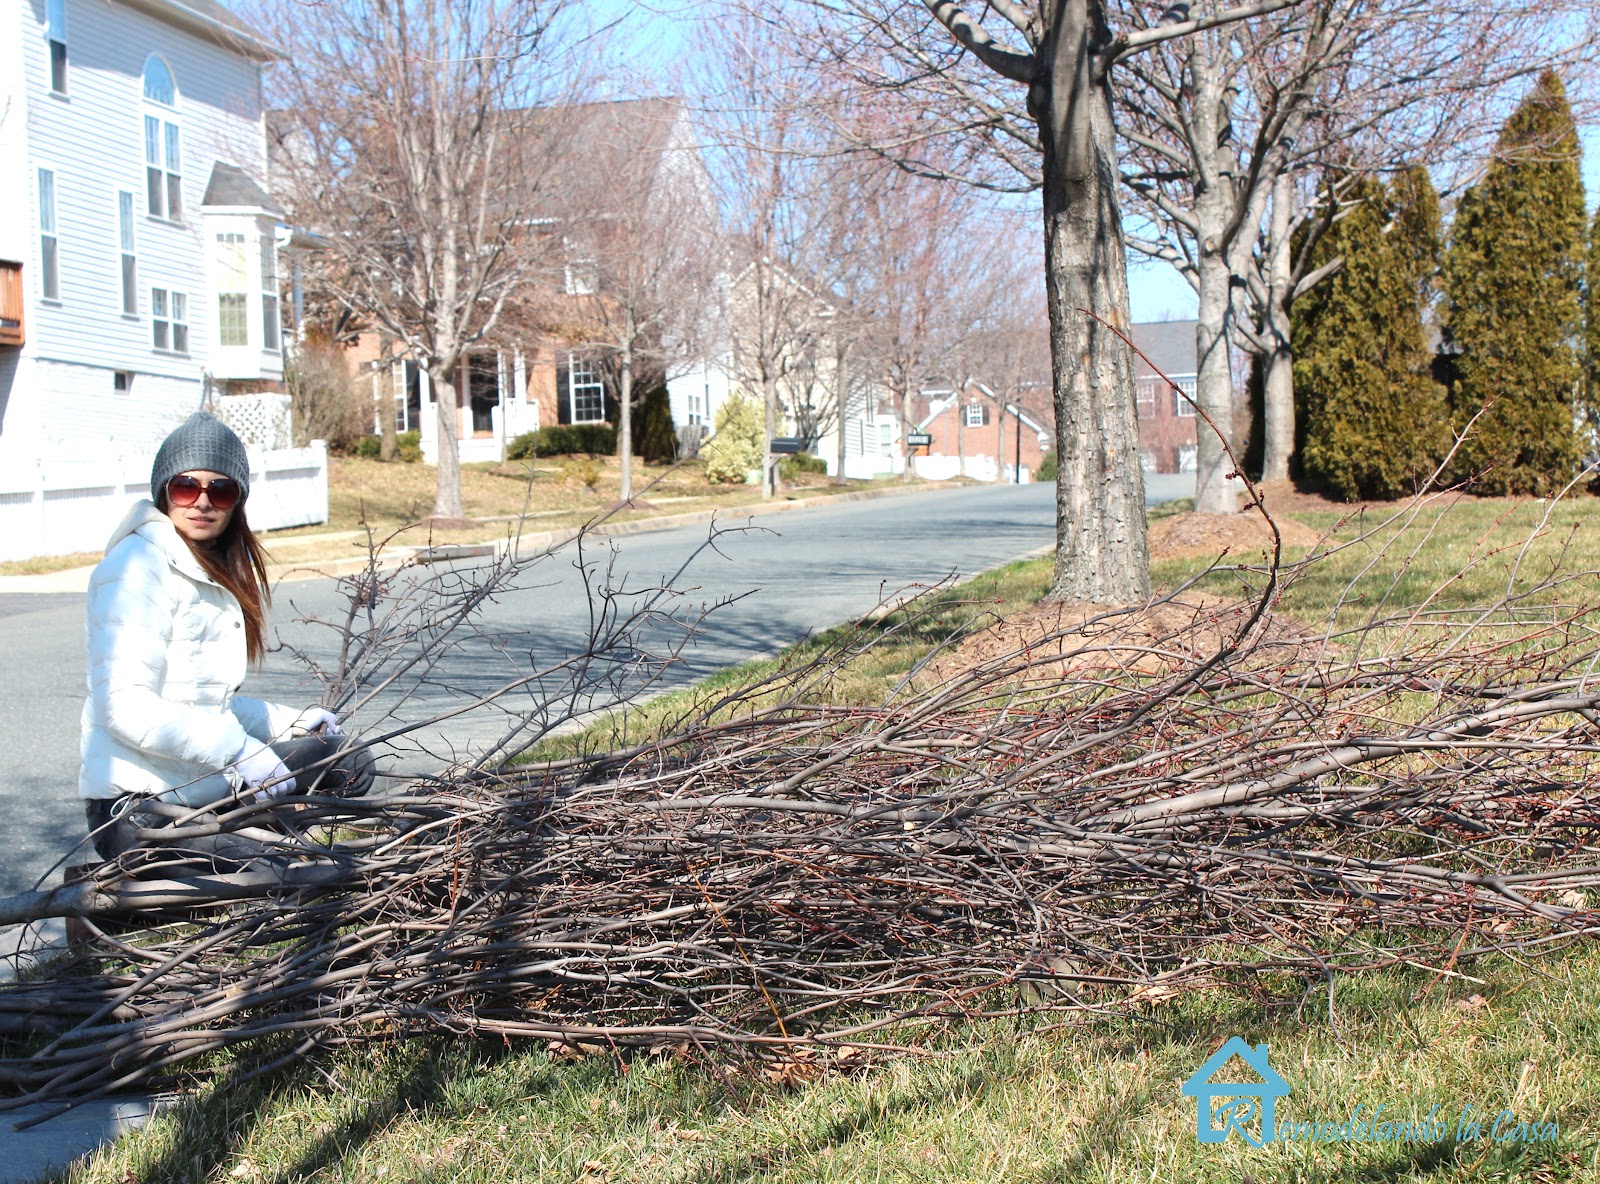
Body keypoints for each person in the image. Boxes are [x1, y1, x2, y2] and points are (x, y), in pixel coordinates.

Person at [79, 412, 374, 870]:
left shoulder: (203, 569)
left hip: (206, 785)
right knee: (279, 869)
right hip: (139, 808)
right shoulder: (135, 570)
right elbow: (125, 709)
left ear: (236, 502)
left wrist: (290, 722)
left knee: (348, 761)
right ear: (164, 492)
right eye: (185, 487)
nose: (201, 502)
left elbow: (202, 702)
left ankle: (252, 833)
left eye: (220, 489)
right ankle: (161, 870)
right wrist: (240, 751)